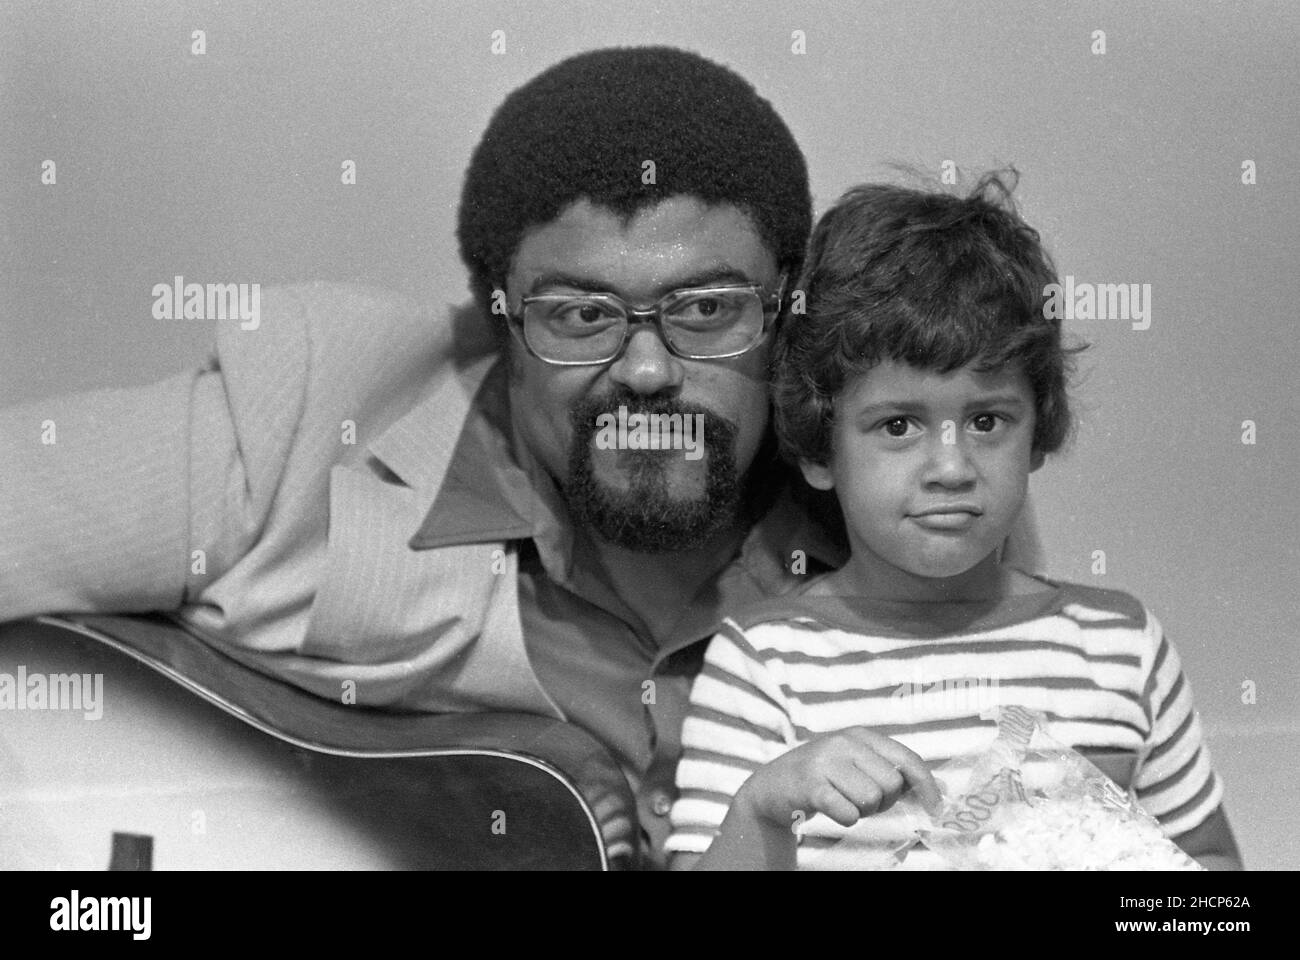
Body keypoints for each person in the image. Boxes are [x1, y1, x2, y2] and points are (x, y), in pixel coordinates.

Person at [0, 47, 1041, 867]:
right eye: (581, 314)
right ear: (492, 323)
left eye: (707, 309)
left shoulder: (909, 488)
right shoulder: (312, 412)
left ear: (787, 314)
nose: (645, 370)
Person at [666, 172, 1242, 870]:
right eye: (899, 424)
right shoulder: (764, 666)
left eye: (987, 420)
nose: (951, 466)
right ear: (821, 449)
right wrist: (765, 804)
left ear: (1039, 432)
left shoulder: (1120, 650)